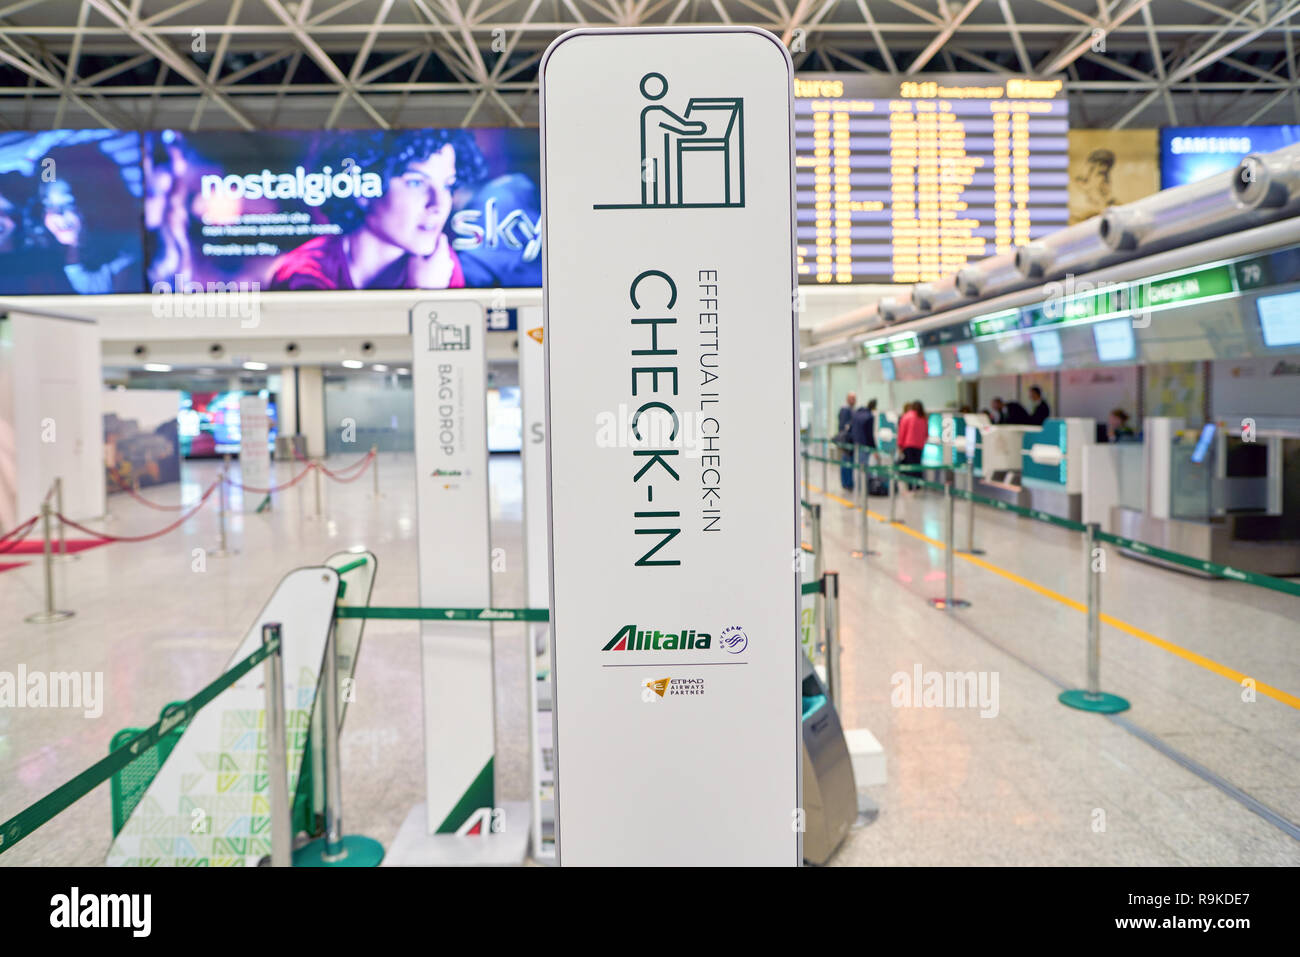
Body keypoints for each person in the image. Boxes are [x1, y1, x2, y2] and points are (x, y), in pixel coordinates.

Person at [269, 129, 487, 291]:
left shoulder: (440, 264)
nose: (438, 205)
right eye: (416, 183)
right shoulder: (304, 272)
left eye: (448, 185)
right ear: (363, 189)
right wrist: (421, 295)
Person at [897, 400, 928, 491]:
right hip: (919, 445)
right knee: (917, 465)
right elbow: (926, 434)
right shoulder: (923, 418)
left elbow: (902, 431)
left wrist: (900, 445)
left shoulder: (907, 416)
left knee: (909, 466)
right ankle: (918, 485)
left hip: (908, 445)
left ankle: (910, 485)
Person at [851, 398, 877, 487]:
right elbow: (869, 434)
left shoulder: (856, 414)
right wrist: (874, 448)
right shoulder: (869, 417)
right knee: (864, 467)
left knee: (858, 467)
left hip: (856, 443)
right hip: (865, 445)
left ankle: (857, 486)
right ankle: (864, 486)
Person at [836, 392, 857, 492]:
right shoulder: (845, 410)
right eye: (851, 398)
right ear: (847, 399)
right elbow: (844, 427)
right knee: (846, 461)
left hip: (850, 440)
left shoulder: (852, 410)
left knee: (849, 461)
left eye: (854, 398)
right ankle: (847, 483)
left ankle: (848, 482)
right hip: (846, 441)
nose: (853, 400)